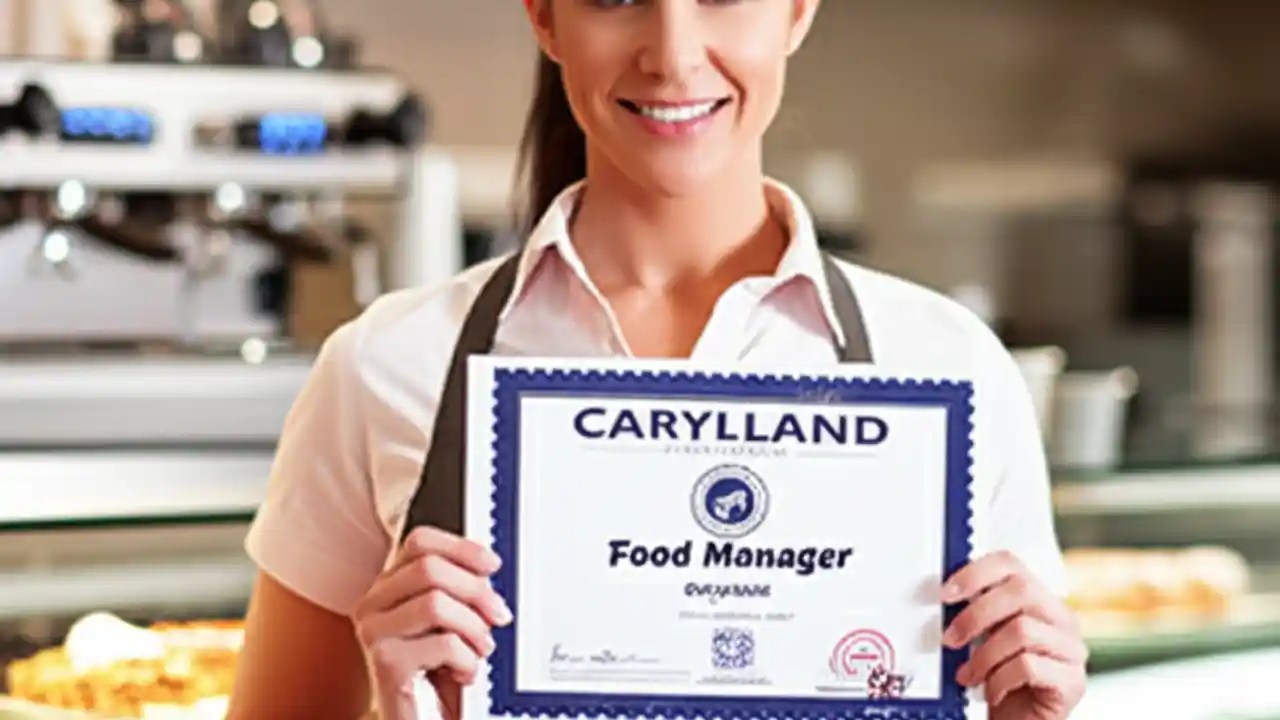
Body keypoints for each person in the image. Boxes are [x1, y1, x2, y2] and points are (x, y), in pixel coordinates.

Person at [227, 1, 1088, 718]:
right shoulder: (386, 365)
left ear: (796, 10)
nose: (673, 55)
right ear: (544, 16)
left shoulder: (950, 367)